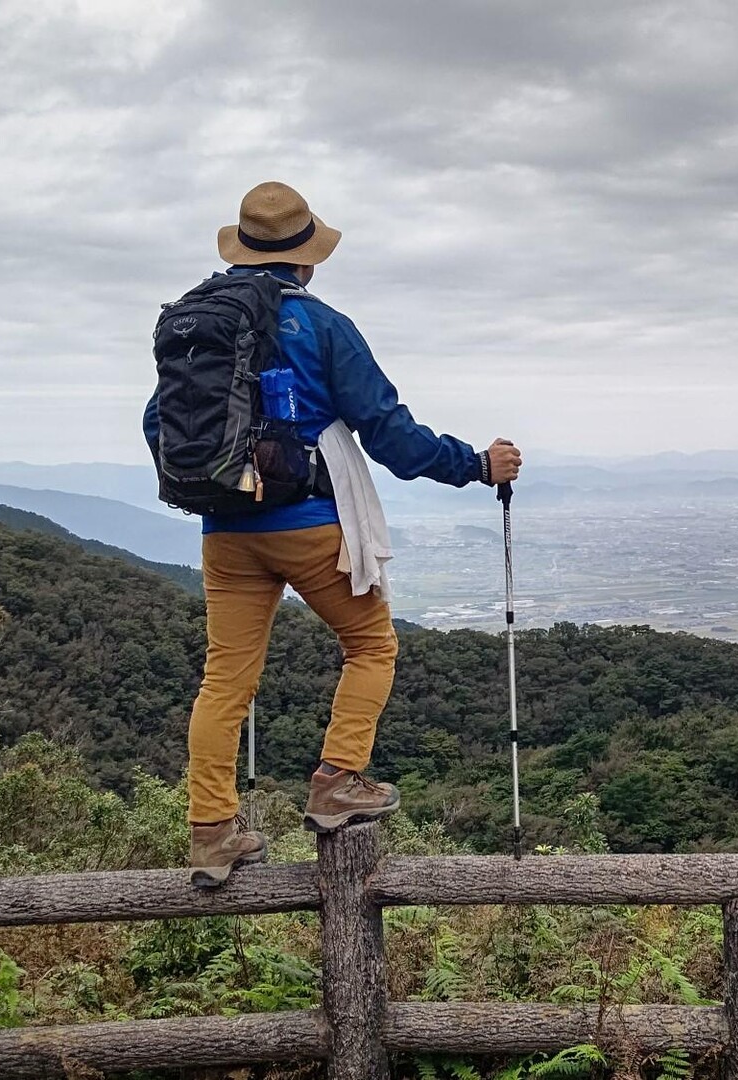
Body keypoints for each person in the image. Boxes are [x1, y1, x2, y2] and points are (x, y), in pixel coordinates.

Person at [144, 181, 522, 887]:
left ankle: (210, 832)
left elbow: (157, 425)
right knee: (371, 644)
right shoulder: (321, 327)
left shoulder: (199, 328)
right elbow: (390, 435)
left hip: (226, 531)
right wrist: (475, 464)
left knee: (224, 680)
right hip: (311, 526)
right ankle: (338, 780)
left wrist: (229, 476)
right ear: (305, 259)